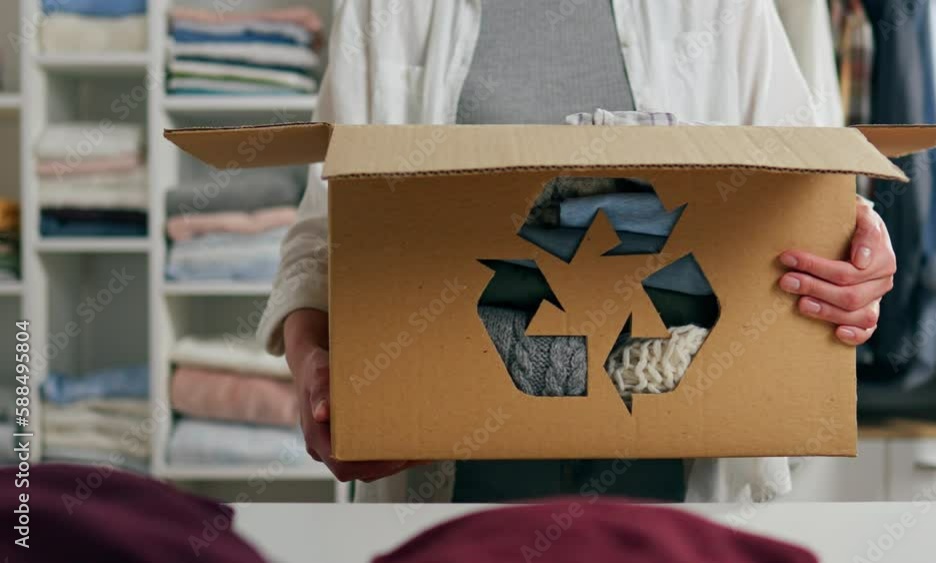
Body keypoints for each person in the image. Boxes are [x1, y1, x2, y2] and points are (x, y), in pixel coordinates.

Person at [258, 0, 896, 501]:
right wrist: (311, 358)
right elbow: (323, 231)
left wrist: (856, 246)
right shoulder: (384, 9)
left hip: (681, 470)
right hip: (451, 482)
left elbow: (801, 181)